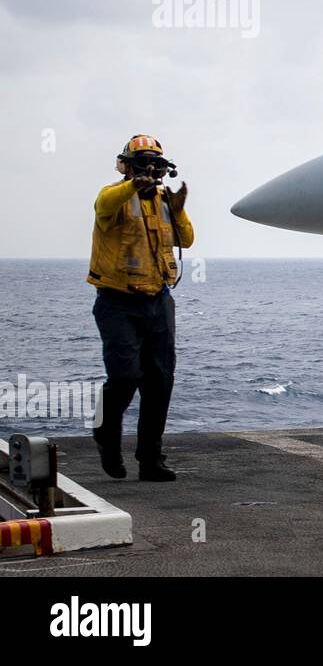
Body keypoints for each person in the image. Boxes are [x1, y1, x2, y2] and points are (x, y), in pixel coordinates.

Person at [88, 135, 193, 481]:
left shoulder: (165, 201)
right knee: (125, 376)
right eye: (141, 162)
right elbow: (104, 204)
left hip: (158, 300)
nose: (149, 169)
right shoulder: (113, 196)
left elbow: (187, 239)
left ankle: (151, 460)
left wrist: (177, 208)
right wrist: (133, 184)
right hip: (117, 301)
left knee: (160, 381)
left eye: (154, 163)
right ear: (127, 165)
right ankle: (106, 433)